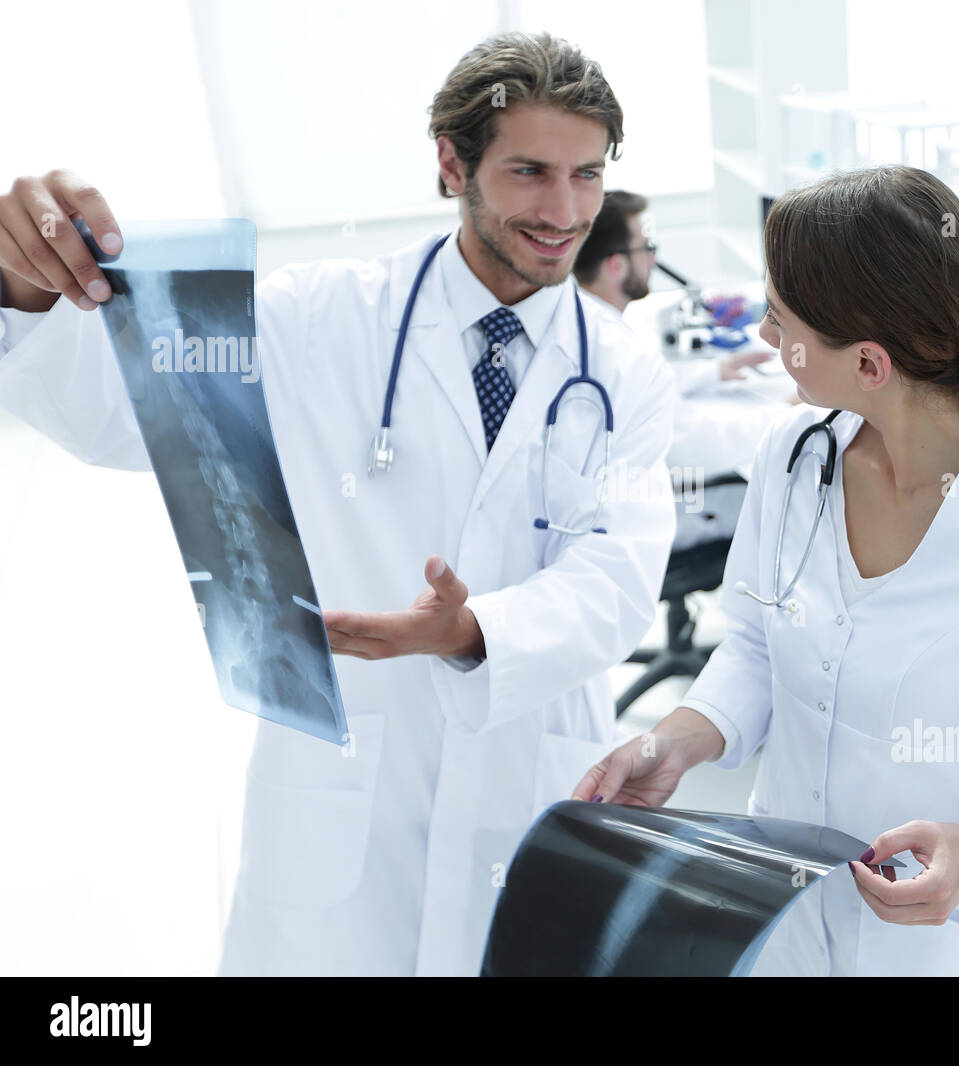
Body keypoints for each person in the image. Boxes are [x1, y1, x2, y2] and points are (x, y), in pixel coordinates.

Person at [0, 31, 676, 976]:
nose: (564, 212)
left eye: (587, 175)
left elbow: (616, 582)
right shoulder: (315, 315)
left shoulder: (625, 373)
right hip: (345, 783)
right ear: (453, 163)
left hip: (529, 778)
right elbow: (120, 419)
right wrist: (21, 286)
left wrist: (469, 630)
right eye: (529, 171)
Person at [573, 165, 959, 977]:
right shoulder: (793, 457)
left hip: (937, 941)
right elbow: (757, 645)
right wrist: (677, 742)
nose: (766, 338)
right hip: (787, 911)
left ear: (869, 365)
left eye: (780, 319)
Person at [573, 188, 771, 390]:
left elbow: (652, 380)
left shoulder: (591, 323)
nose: (652, 260)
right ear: (617, 265)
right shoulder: (608, 345)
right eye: (646, 248)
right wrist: (785, 411)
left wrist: (715, 371)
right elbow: (677, 415)